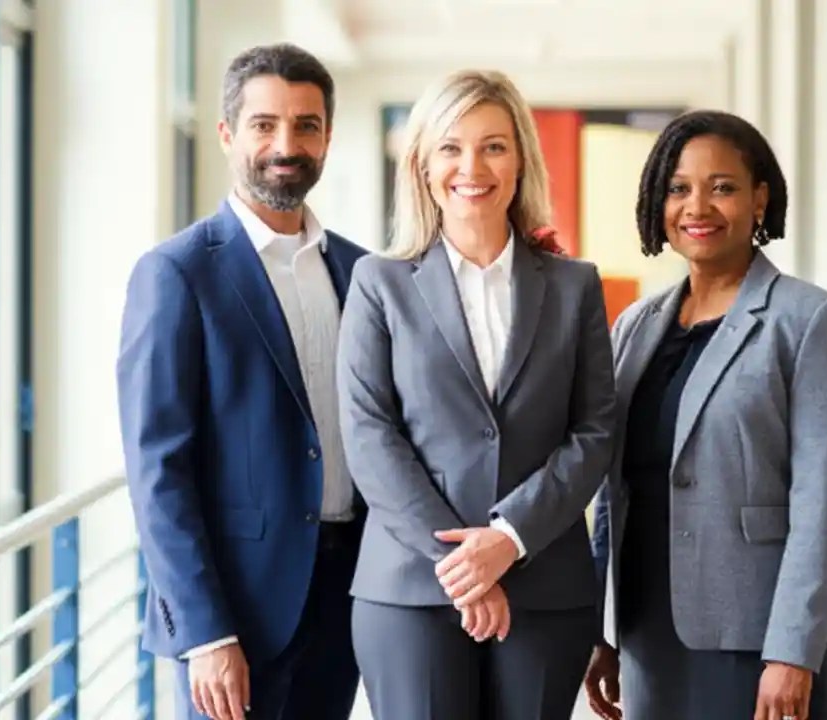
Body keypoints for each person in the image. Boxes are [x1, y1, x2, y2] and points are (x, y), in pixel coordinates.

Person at [336, 69, 617, 720]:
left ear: (521, 157)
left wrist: (509, 538)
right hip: (410, 591)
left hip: (544, 585)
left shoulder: (575, 286)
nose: (472, 166)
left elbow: (594, 430)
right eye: (451, 146)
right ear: (423, 164)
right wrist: (462, 565)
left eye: (493, 145)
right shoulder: (379, 283)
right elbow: (370, 433)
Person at [583, 109, 827, 720]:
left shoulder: (808, 321)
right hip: (647, 631)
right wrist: (601, 629)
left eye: (723, 187)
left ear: (759, 199)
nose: (697, 206)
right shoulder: (635, 326)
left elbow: (824, 503)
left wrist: (793, 650)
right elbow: (611, 491)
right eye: (679, 189)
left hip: (757, 639)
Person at [116, 43, 367, 720]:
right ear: (228, 134)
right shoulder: (177, 273)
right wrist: (203, 632)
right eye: (264, 124)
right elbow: (157, 470)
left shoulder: (361, 271)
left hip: (345, 592)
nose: (286, 144)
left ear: (328, 138)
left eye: (306, 125)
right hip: (237, 613)